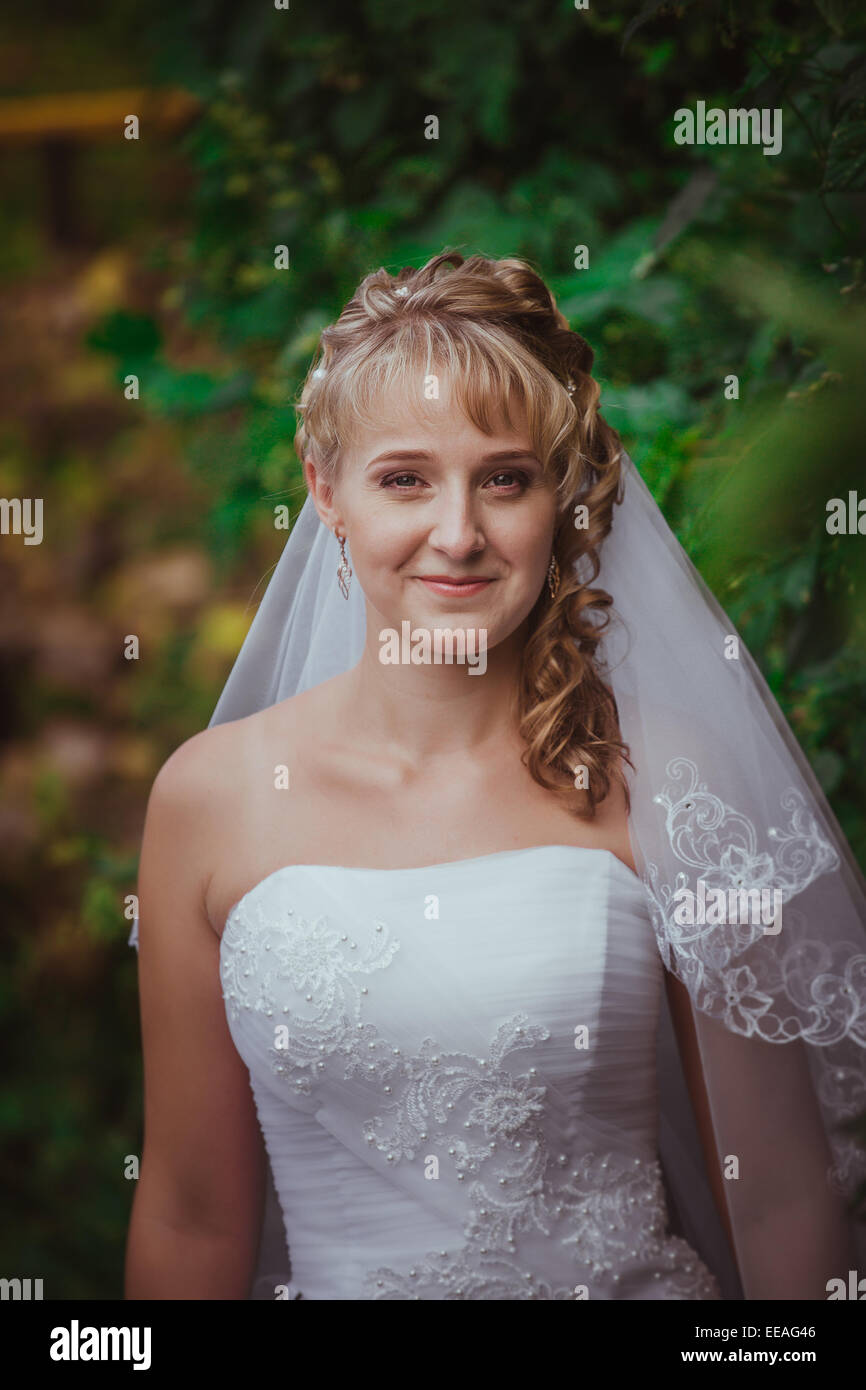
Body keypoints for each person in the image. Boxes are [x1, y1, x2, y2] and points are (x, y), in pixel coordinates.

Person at [125, 250, 866, 1301]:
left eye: (505, 478)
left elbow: (780, 1197)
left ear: (559, 496)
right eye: (404, 479)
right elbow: (191, 1214)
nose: (459, 533)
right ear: (325, 491)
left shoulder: (662, 780)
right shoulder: (210, 799)